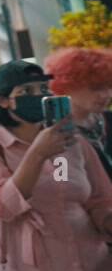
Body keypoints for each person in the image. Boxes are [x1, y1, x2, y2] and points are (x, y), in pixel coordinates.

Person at [0, 60, 112, 271]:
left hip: (90, 258)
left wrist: (106, 219)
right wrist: (37, 153)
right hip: (35, 269)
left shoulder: (68, 140)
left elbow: (80, 192)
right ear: (3, 101)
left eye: (44, 88)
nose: (40, 95)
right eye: (27, 92)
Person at [45, 47, 112, 179]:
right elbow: (62, 181)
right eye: (96, 88)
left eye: (110, 86)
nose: (107, 95)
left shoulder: (109, 120)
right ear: (67, 85)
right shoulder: (55, 133)